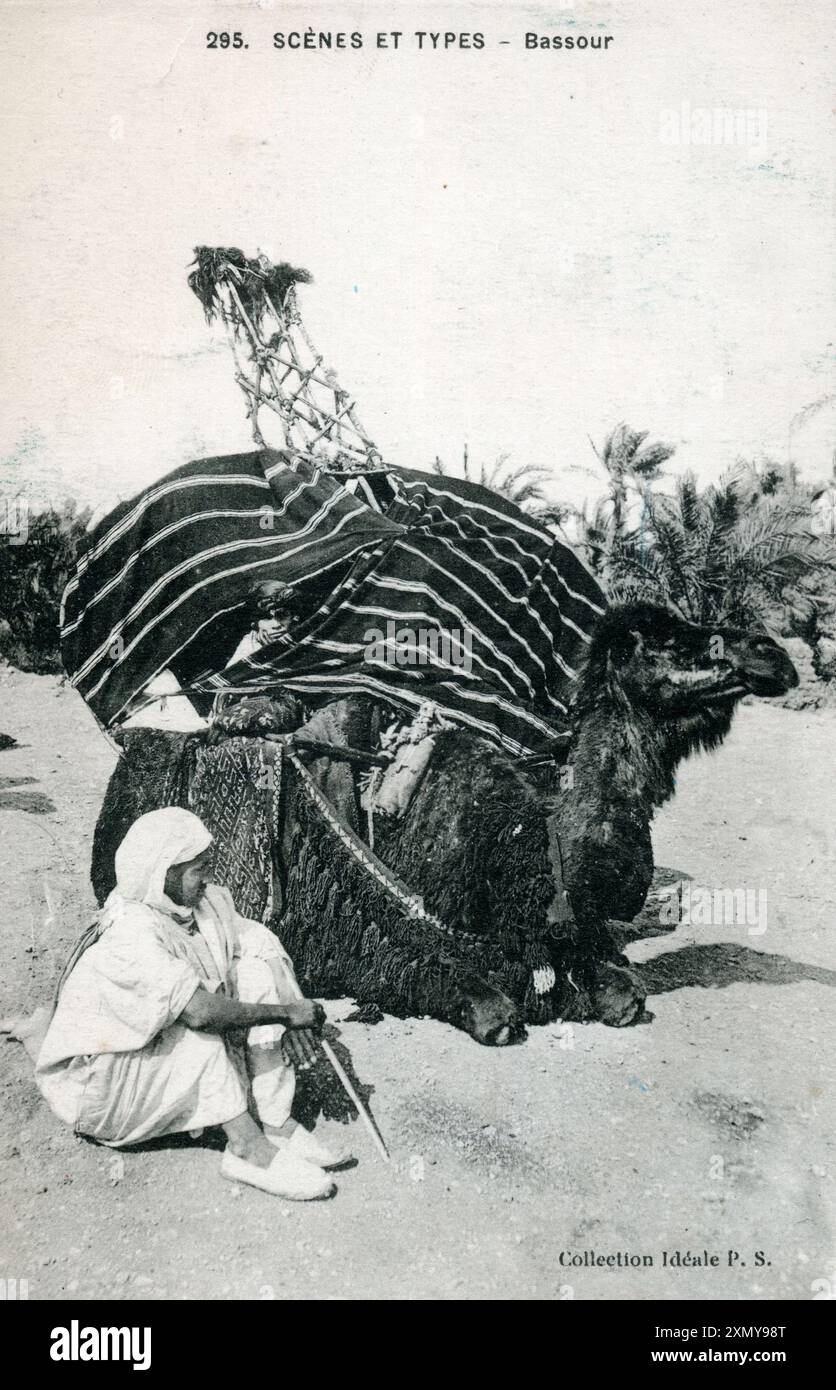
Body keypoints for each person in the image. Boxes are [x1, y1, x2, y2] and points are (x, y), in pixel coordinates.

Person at [34, 808, 351, 1200]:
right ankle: (247, 1149)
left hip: (148, 1049)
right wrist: (286, 1016)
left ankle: (276, 1120)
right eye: (198, 869)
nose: (209, 878)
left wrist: (290, 995)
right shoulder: (130, 933)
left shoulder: (204, 901)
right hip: (103, 1084)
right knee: (196, 1031)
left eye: (208, 865)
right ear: (162, 872)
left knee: (255, 972)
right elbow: (200, 1013)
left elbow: (253, 937)